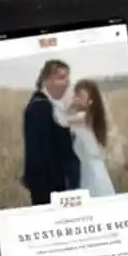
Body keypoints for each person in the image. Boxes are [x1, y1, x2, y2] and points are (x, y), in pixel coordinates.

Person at [22, 59, 81, 206]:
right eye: (61, 78)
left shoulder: (49, 105)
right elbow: (40, 154)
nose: (67, 82)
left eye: (67, 77)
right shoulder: (40, 108)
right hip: (49, 186)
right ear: (46, 80)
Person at [66, 79, 116, 197]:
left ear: (91, 101)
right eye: (75, 94)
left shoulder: (83, 118)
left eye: (80, 96)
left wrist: (69, 106)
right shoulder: (89, 118)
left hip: (91, 172)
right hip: (93, 170)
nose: (76, 98)